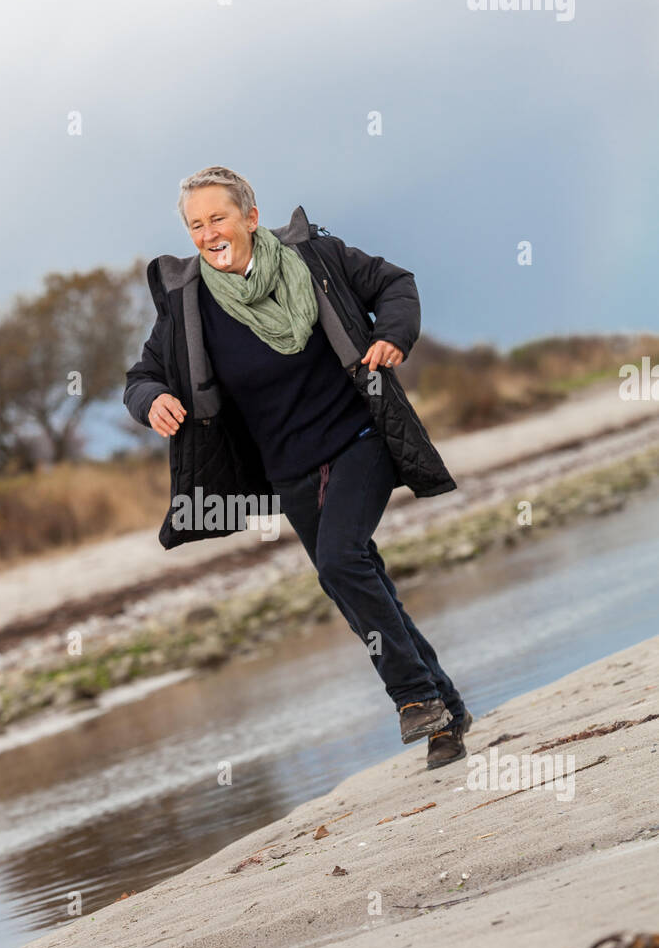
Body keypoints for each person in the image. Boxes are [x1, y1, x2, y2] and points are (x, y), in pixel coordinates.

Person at [124, 166, 472, 768]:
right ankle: (446, 710)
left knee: (340, 560)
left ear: (251, 218)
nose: (209, 233)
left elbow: (395, 283)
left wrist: (393, 336)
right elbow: (141, 377)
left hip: (359, 437)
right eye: (196, 224)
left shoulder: (317, 258)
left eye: (219, 218)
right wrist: (152, 400)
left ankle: (414, 697)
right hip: (287, 472)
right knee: (359, 577)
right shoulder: (189, 306)